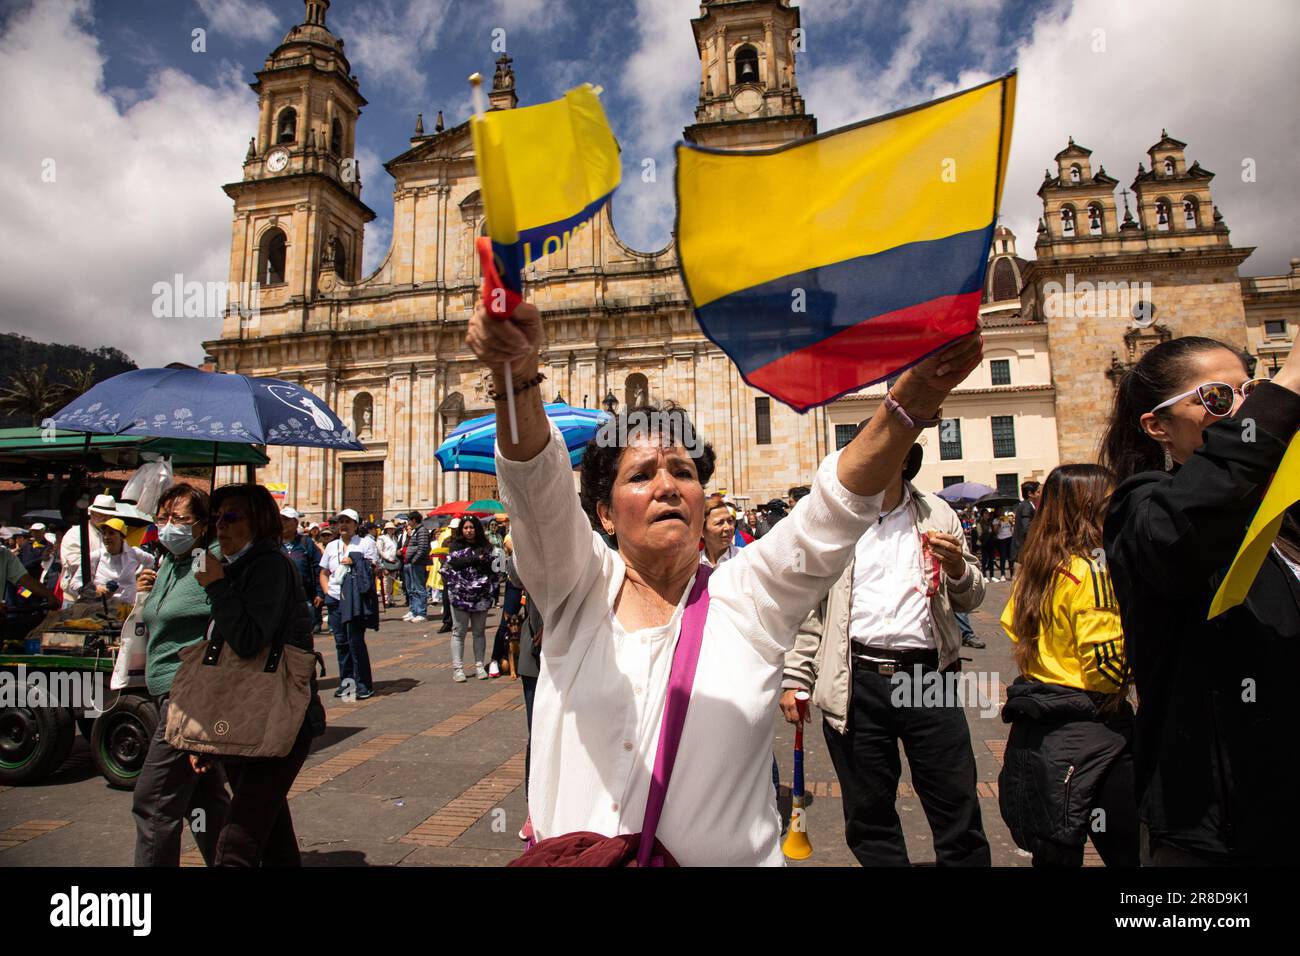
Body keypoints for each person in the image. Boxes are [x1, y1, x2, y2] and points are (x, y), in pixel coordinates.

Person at [469, 296, 982, 865]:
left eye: (683, 472)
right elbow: (537, 487)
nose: (667, 486)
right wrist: (515, 375)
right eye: (641, 475)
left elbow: (830, 513)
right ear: (605, 514)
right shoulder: (575, 589)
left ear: (702, 496)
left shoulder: (747, 595)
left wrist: (911, 400)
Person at [1101, 336, 1300, 866]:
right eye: (1216, 398)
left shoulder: (1285, 509)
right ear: (1158, 426)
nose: (1244, 410)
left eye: (1251, 391)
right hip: (1215, 824)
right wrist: (1282, 394)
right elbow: (1187, 526)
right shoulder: (1142, 510)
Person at [781, 437, 990, 867]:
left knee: (955, 802)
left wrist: (956, 569)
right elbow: (813, 610)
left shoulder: (937, 513)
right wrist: (797, 676)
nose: (870, 466)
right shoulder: (837, 523)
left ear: (902, 462)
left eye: (881, 457)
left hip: (928, 678)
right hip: (856, 678)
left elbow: (972, 597)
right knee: (868, 812)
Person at [998, 464, 1135, 867]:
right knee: (1130, 851)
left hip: (1042, 724)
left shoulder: (1041, 565)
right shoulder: (1092, 571)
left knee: (1054, 846)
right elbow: (1105, 666)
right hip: (1095, 725)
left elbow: (1010, 624)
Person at [193, 483, 326, 866]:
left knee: (237, 843)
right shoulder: (239, 566)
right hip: (245, 717)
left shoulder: (268, 565)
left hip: (275, 718)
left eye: (232, 516)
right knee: (270, 835)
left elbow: (248, 640)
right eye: (216, 517)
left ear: (259, 520)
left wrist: (217, 585)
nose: (221, 525)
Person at [131, 484, 231, 867]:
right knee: (205, 799)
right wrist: (148, 592)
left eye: (180, 519)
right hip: (165, 693)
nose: (169, 525)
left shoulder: (211, 560)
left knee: (153, 803)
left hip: (187, 695)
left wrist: (217, 583)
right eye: (163, 517)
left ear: (202, 524)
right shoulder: (170, 563)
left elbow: (221, 621)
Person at [319, 508, 379, 699]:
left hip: (355, 600)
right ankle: (347, 683)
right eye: (340, 522)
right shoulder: (331, 546)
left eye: (348, 521)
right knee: (341, 643)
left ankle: (363, 684)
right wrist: (328, 591)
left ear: (356, 525)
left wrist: (356, 560)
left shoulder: (365, 543)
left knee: (355, 641)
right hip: (335, 599)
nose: (343, 525)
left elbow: (373, 569)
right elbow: (323, 572)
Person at [442, 514, 498, 682]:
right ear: (461, 529)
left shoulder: (486, 545)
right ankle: (458, 668)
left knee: (479, 632)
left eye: (471, 527)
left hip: (481, 594)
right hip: (460, 594)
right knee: (458, 631)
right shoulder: (455, 545)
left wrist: (470, 560)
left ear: (477, 529)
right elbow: (454, 564)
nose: (469, 531)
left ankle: (479, 666)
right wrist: (475, 559)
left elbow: (491, 566)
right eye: (466, 528)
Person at [58, 493, 116, 606]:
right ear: (92, 514)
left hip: (105, 597)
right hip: (76, 597)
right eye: (102, 515)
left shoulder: (115, 535)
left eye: (110, 516)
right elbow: (74, 562)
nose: (106, 519)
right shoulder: (75, 533)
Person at [91, 517, 155, 605]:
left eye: (111, 533)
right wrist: (95, 589)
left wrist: (140, 575)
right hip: (102, 609)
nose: (106, 537)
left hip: (127, 609)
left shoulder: (134, 553)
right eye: (104, 533)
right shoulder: (96, 556)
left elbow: (151, 561)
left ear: (121, 536)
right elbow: (76, 583)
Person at [279, 506, 323, 625]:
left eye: (287, 520)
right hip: (279, 599)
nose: (283, 523)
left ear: (295, 522)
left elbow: (318, 568)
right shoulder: (273, 544)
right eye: (281, 519)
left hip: (304, 598)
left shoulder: (306, 543)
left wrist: (319, 593)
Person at [401, 512, 431, 623]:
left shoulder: (422, 531)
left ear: (414, 520)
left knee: (419, 588)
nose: (408, 523)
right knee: (412, 589)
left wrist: (414, 560)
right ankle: (414, 610)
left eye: (409, 520)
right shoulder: (416, 531)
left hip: (417, 564)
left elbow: (422, 548)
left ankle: (421, 612)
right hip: (411, 564)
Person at [1010, 480, 1041, 573]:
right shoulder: (1027, 507)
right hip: (1023, 552)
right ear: (1030, 494)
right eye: (1038, 492)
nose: (1040, 494)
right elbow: (1026, 529)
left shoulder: (1028, 505)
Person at [700, 499, 739, 567]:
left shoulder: (745, 558)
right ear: (702, 531)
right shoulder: (692, 565)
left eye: (730, 521)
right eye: (719, 523)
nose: (728, 527)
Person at [377, 521, 400, 609]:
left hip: (394, 561)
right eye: (389, 529)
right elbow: (380, 550)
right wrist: (387, 558)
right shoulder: (382, 538)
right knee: (386, 581)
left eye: (392, 529)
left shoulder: (395, 538)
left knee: (392, 581)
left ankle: (391, 599)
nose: (391, 530)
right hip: (385, 561)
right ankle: (386, 600)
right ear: (386, 529)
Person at [991, 510, 1014, 581]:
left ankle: (1012, 574)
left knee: (1011, 557)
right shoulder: (995, 520)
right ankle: (1002, 574)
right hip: (1001, 539)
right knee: (1003, 557)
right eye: (1000, 510)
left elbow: (1011, 528)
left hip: (1009, 538)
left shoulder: (1006, 518)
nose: (1001, 512)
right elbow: (995, 531)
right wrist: (999, 524)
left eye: (1002, 510)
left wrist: (1011, 522)